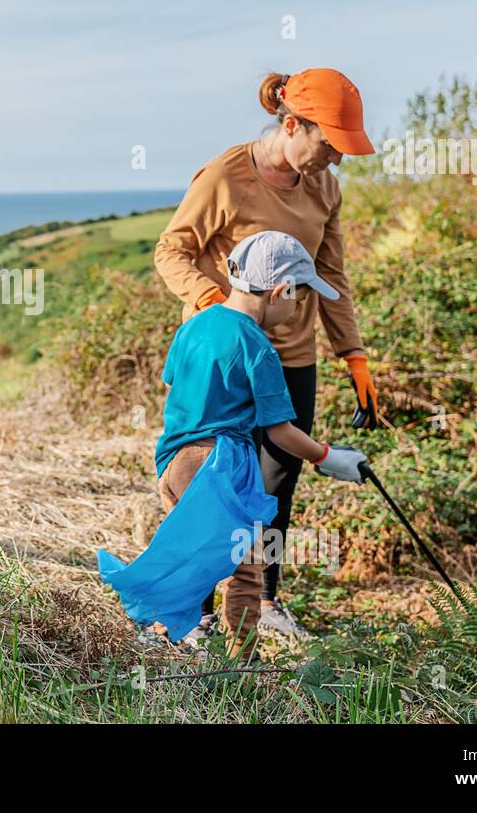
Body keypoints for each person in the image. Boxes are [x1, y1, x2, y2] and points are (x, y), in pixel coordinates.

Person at [153, 68, 382, 639]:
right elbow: (170, 250)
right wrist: (214, 307)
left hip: (291, 353)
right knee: (210, 483)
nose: (335, 161)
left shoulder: (325, 187)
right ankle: (199, 613)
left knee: (277, 486)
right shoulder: (226, 177)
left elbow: (331, 275)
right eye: (328, 145)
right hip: (226, 358)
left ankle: (265, 601)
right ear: (291, 124)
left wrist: (353, 356)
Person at [100, 231, 368, 661]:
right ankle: (244, 660)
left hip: (173, 464)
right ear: (279, 291)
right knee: (247, 566)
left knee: (194, 552)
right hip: (219, 464)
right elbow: (280, 431)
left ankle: (168, 636)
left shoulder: (194, 325)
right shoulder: (259, 347)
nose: (298, 308)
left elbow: (170, 380)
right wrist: (329, 457)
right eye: (298, 298)